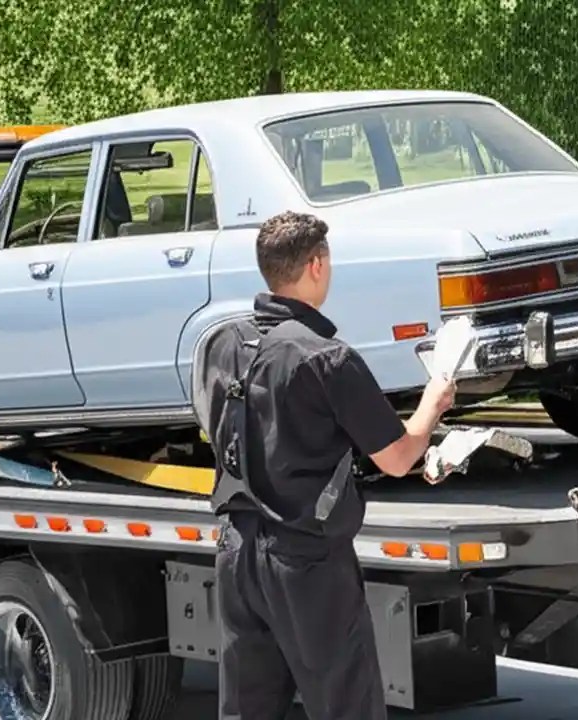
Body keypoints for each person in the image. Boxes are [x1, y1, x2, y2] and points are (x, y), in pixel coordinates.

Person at [198, 210, 457, 719]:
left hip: (236, 553)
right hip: (306, 563)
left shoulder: (222, 344)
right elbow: (399, 457)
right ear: (316, 266)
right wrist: (434, 401)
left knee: (246, 710)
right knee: (346, 707)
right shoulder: (327, 358)